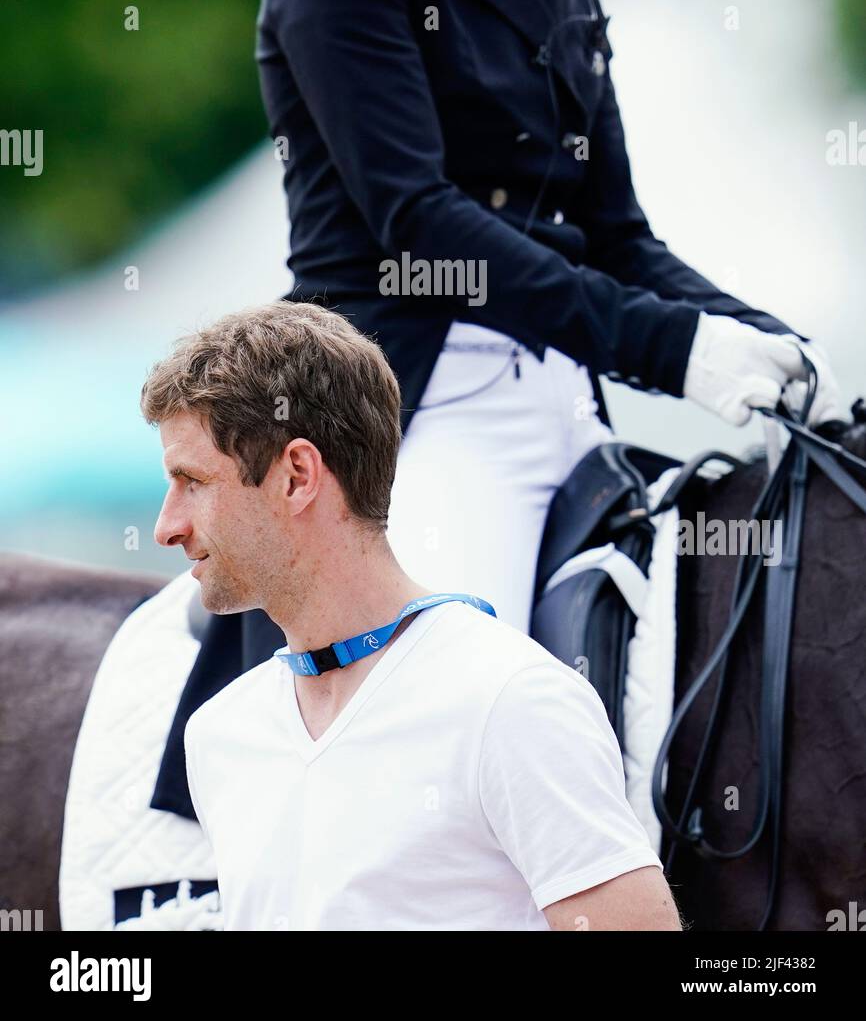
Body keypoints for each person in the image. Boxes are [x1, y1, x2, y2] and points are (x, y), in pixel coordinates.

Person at [149, 0, 844, 822]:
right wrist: (672, 352)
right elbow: (419, 221)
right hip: (403, 409)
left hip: (562, 403)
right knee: (430, 753)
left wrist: (757, 343)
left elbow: (615, 232)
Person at [144, 300, 683, 931]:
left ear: (296, 475)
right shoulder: (218, 734)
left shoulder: (511, 702)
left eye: (193, 482)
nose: (165, 527)